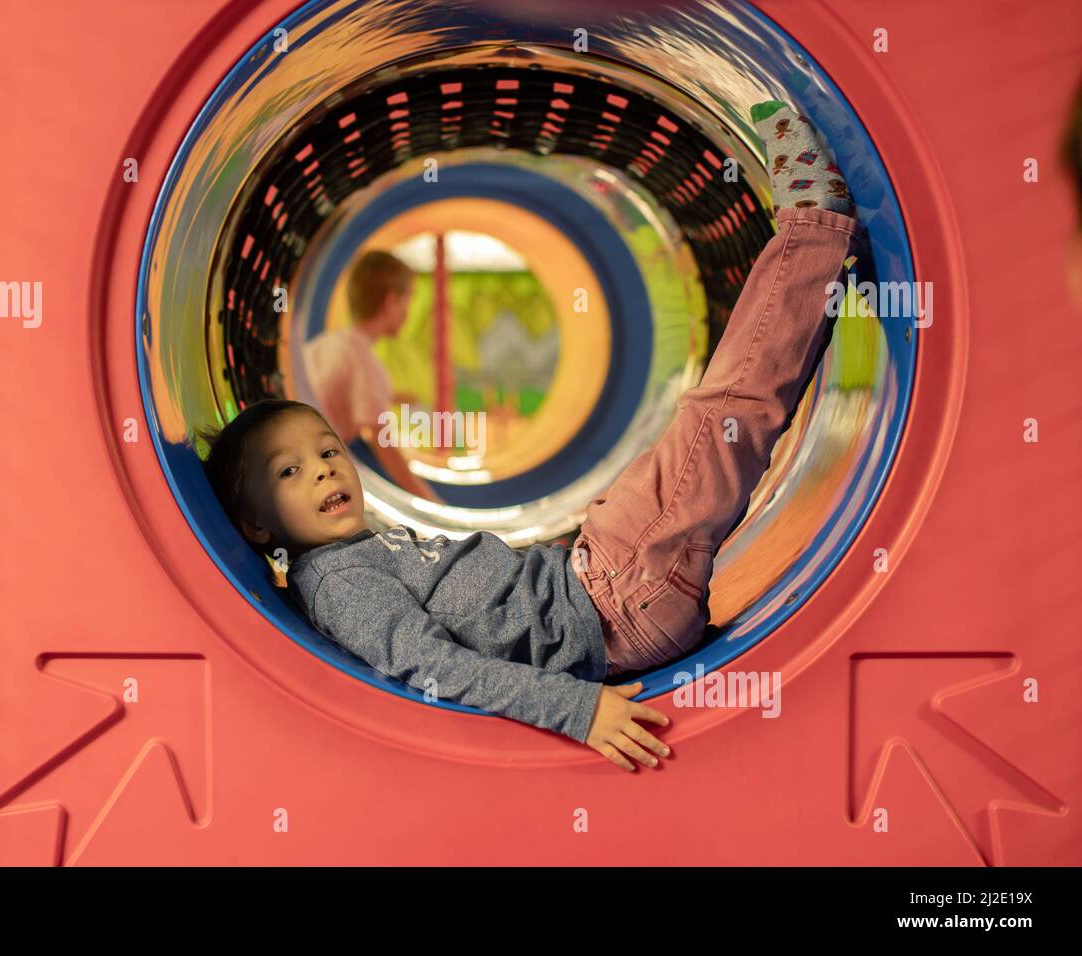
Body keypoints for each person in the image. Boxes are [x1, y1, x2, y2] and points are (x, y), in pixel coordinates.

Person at [198, 101, 863, 772]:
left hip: (605, 592)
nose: (320, 470)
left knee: (720, 432)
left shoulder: (364, 550)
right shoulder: (339, 584)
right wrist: (576, 708)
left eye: (325, 453)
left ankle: (822, 269)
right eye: (288, 472)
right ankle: (815, 230)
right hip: (613, 599)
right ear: (257, 527)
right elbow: (434, 668)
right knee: (717, 418)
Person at [301, 249, 440, 501]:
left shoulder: (329, 343)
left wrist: (394, 397)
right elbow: (386, 447)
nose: (407, 313)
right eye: (407, 302)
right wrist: (433, 505)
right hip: (308, 466)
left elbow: (335, 390)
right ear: (391, 302)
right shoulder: (367, 365)